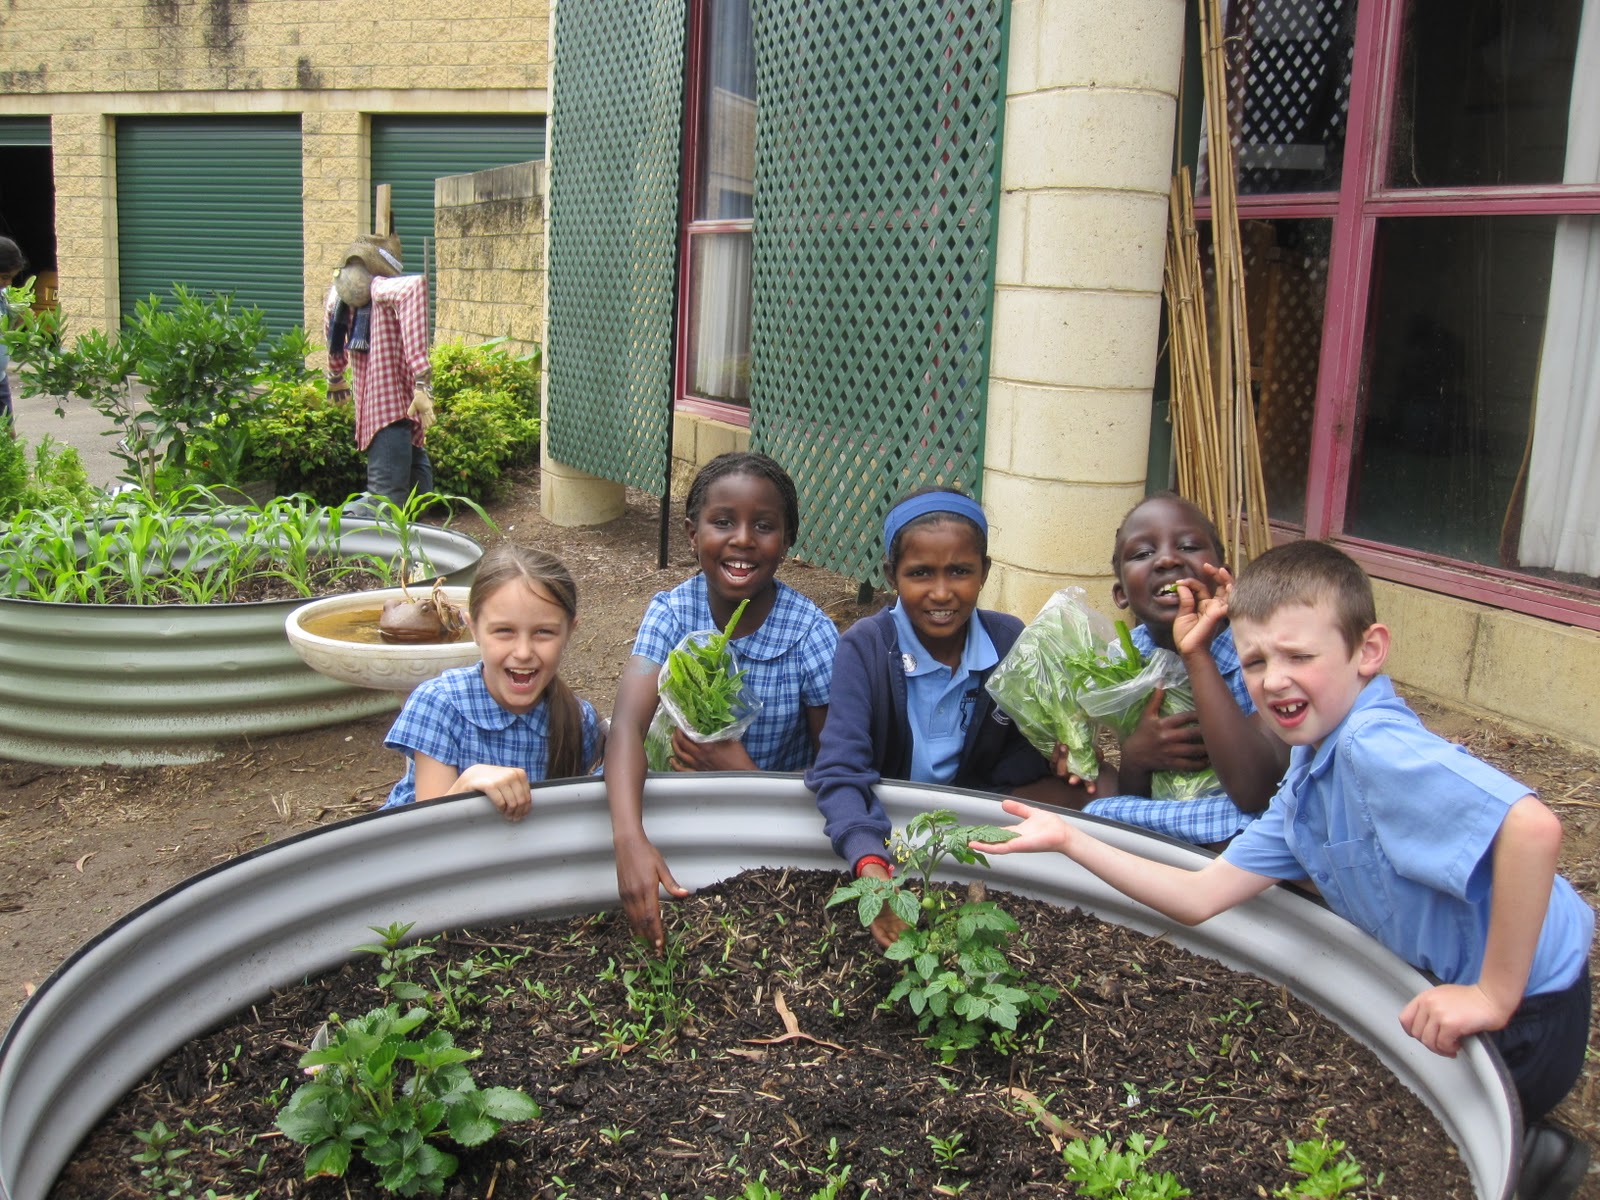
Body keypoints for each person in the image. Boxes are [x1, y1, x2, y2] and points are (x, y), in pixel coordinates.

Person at [972, 540, 1594, 1200]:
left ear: (1369, 651)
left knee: (1445, 1135)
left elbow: (1532, 828)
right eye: (1257, 660)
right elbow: (1198, 895)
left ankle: (1535, 1154)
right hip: (1485, 983)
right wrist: (1070, 838)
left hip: (1530, 1006)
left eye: (1301, 656)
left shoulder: (1371, 746)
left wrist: (1491, 995)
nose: (1274, 679)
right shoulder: (1307, 782)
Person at [807, 488, 1082, 946]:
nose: (941, 592)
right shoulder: (867, 647)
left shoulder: (1007, 639)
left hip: (972, 808)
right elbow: (840, 769)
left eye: (959, 571)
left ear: (984, 572)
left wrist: (1057, 746)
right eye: (920, 573)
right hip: (892, 815)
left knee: (1099, 790)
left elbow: (1026, 744)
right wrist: (872, 867)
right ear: (891, 576)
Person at [607, 451, 838, 949]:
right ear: (692, 534)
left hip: (776, 842)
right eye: (722, 522)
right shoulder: (671, 614)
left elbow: (836, 768)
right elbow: (626, 725)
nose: (742, 540)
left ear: (787, 541)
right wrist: (629, 841)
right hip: (674, 819)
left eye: (764, 525)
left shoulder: (811, 634)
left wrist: (739, 772)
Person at [1077, 492, 1288, 847]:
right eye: (1143, 553)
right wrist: (1136, 758)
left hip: (1254, 819)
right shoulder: (1122, 665)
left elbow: (1255, 792)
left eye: (1189, 547)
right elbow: (1132, 796)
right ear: (1121, 594)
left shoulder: (1264, 653)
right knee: (1099, 817)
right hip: (1171, 825)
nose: (1168, 560)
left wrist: (1196, 655)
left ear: (1225, 576)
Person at [381, 543, 602, 819]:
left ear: (570, 631)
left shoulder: (579, 721)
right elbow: (428, 841)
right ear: (473, 629)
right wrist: (466, 785)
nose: (523, 652)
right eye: (504, 631)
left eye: (544, 632)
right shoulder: (439, 705)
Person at [324, 232, 436, 511]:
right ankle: (336, 535)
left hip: (400, 410)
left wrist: (336, 378)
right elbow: (413, 287)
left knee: (421, 491)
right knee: (386, 503)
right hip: (388, 415)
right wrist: (422, 380)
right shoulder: (377, 291)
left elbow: (332, 342)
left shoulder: (343, 301)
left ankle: (411, 551)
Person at [0, 236, 26, 430]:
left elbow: (7, 334)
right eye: (4, 277)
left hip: (0, 380)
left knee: (8, 438)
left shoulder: (4, 296)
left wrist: (19, 321)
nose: (8, 283)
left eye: (11, 278)